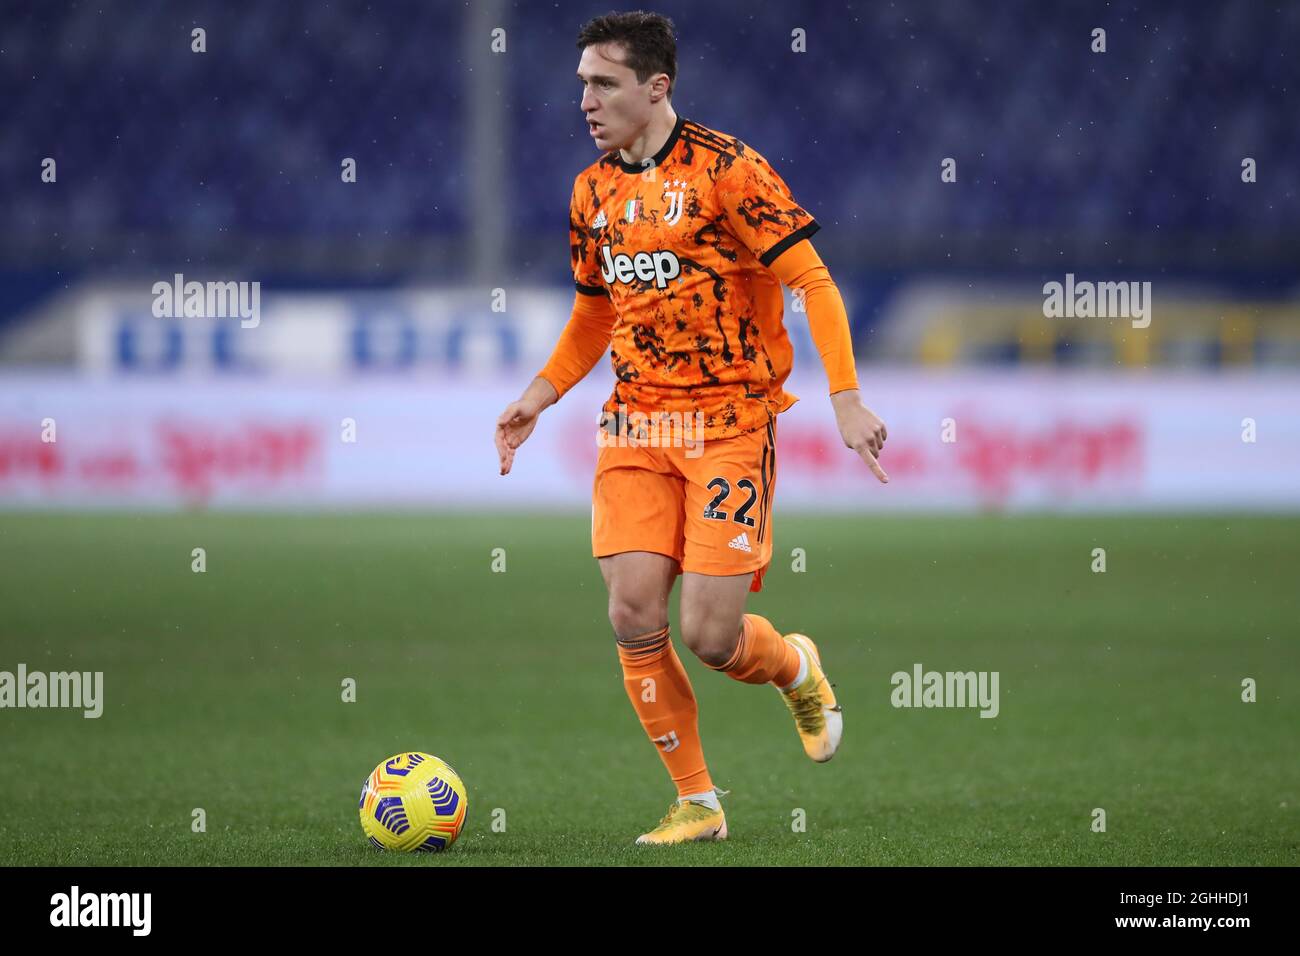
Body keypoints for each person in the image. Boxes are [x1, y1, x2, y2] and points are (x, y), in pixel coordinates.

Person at [494, 10, 888, 844]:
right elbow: (594, 314)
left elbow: (813, 284)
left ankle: (795, 667)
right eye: (581, 86)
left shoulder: (728, 171)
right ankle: (698, 803)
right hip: (636, 427)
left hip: (730, 424)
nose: (586, 102)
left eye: (603, 84)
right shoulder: (591, 190)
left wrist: (845, 397)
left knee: (711, 636)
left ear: (656, 86)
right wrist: (540, 393)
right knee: (633, 612)